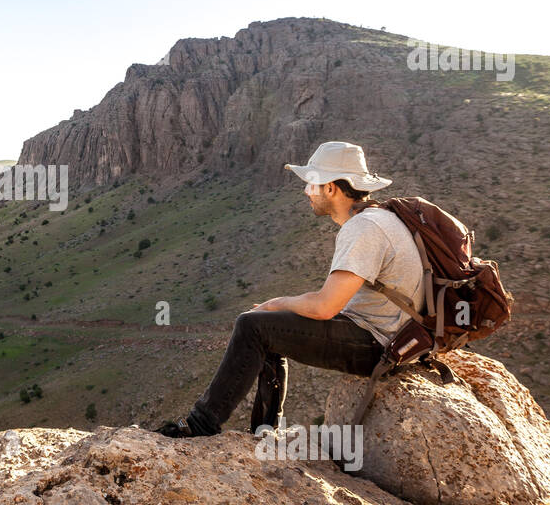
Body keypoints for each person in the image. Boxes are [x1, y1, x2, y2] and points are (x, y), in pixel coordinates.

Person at [156, 141, 425, 437]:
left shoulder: (363, 228)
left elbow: (325, 307)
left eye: (311, 184)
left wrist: (275, 303)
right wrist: (276, 308)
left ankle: (201, 424)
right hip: (388, 333)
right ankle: (264, 431)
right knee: (266, 325)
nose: (306, 192)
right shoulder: (378, 219)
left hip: (380, 344)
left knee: (252, 326)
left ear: (332, 188)